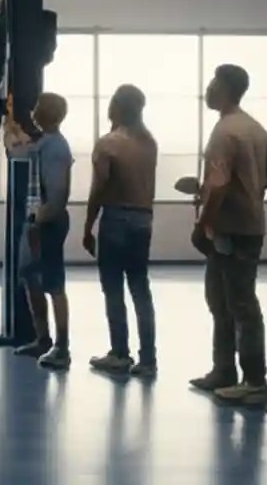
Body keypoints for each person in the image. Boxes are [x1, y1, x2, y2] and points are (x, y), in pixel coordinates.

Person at [191, 64, 267, 407]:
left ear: (227, 89)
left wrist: (203, 224)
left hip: (231, 229)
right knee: (221, 300)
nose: (209, 88)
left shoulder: (225, 132)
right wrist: (252, 187)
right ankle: (224, 371)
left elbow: (216, 188)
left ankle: (255, 382)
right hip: (247, 225)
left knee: (241, 304)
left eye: (214, 83)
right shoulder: (253, 128)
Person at [84, 85, 159, 377]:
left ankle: (119, 353)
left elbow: (99, 188)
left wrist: (88, 225)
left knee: (113, 288)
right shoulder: (149, 142)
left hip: (115, 218)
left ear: (114, 107)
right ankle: (148, 358)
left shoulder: (108, 143)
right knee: (140, 289)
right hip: (143, 219)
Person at [6, 92, 74, 369]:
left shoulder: (56, 148)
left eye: (37, 107)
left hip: (46, 224)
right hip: (35, 221)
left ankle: (62, 347)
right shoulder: (43, 143)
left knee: (53, 284)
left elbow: (58, 196)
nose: (32, 111)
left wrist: (39, 223)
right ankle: (43, 339)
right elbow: (16, 150)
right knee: (31, 279)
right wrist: (9, 121)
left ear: (47, 113)